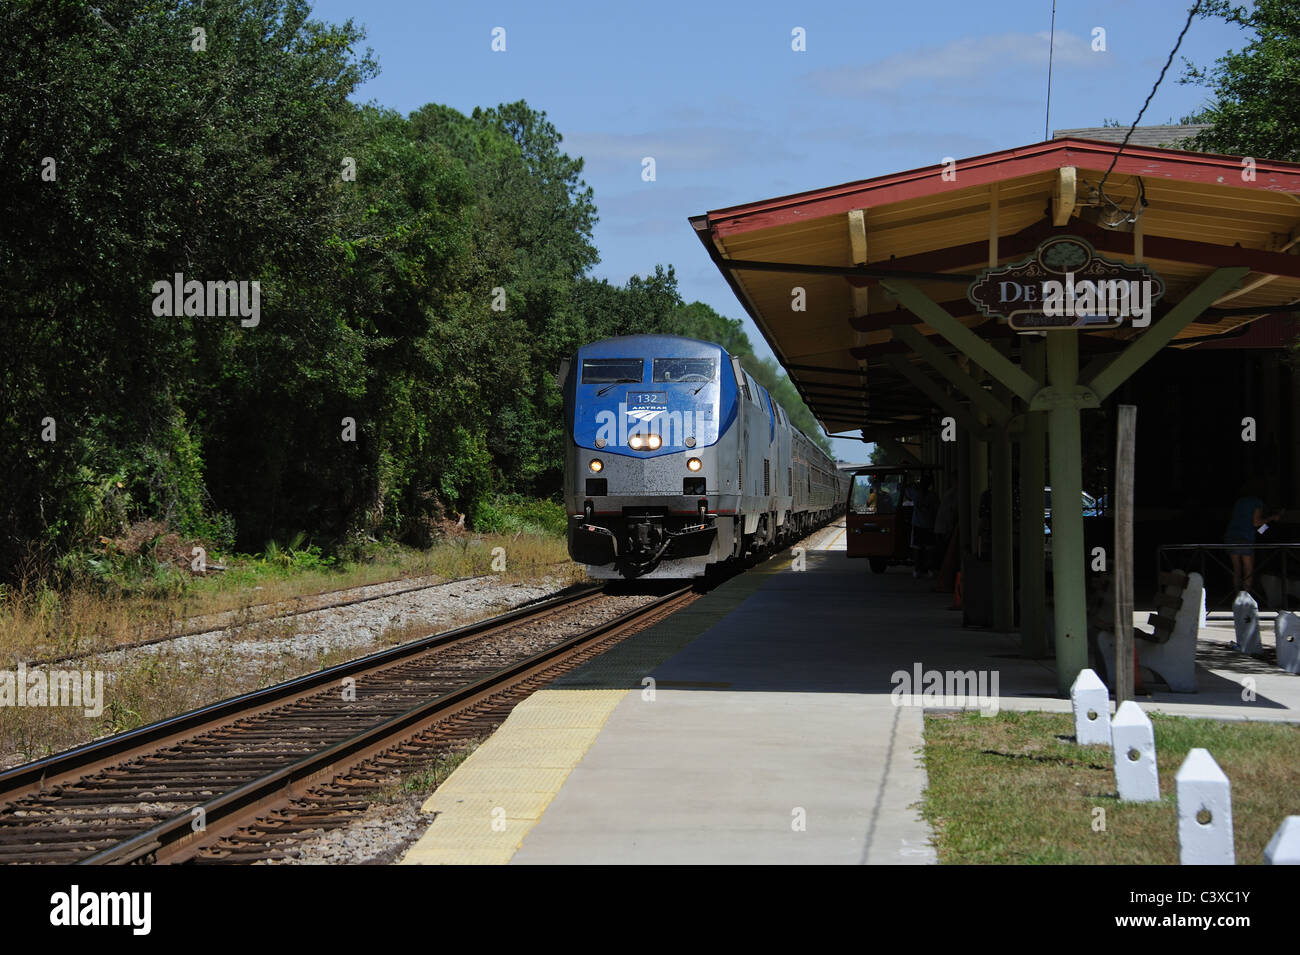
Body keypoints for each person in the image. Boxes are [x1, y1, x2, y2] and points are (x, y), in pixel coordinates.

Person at [1223, 495, 1284, 595]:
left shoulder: (1240, 501)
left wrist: (1268, 522)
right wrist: (1272, 518)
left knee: (1237, 568)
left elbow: (1258, 528)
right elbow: (1256, 523)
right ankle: (1246, 596)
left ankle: (1237, 596)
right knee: (1248, 569)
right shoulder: (1257, 503)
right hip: (1245, 537)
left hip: (1232, 535)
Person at [911, 476, 940, 577]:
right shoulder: (933, 496)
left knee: (917, 548)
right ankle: (930, 569)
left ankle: (917, 570)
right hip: (929, 524)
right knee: (930, 548)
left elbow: (907, 488)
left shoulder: (915, 494)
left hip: (918, 525)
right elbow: (937, 509)